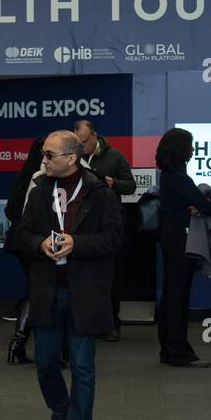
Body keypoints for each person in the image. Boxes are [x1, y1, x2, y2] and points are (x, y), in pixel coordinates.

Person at [13, 129, 124, 420]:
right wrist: (38, 243)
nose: (42, 160)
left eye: (49, 155)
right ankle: (60, 409)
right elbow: (20, 234)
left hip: (85, 292)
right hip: (47, 290)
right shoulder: (39, 189)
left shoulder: (99, 192)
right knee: (45, 362)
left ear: (72, 158)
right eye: (43, 154)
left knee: (82, 365)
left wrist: (79, 244)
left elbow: (116, 238)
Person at [155, 127, 211, 367]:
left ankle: (169, 349)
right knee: (178, 296)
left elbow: (198, 203)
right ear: (180, 149)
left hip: (170, 237)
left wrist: (201, 204)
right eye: (190, 145)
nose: (193, 150)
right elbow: (205, 206)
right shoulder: (178, 177)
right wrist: (210, 203)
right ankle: (177, 352)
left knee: (172, 294)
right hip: (179, 239)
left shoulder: (169, 174)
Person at [74, 120, 136, 341]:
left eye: (84, 142)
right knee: (84, 277)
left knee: (110, 277)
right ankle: (86, 323)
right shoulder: (73, 158)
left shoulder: (115, 156)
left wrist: (112, 182)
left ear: (95, 136)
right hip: (81, 225)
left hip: (109, 224)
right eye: (77, 143)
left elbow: (131, 186)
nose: (81, 147)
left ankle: (112, 324)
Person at [2, 137, 45, 364]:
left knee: (35, 290)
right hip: (36, 242)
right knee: (39, 290)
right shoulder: (42, 178)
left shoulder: (24, 174)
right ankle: (20, 344)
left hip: (19, 241)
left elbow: (10, 210)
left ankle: (18, 344)